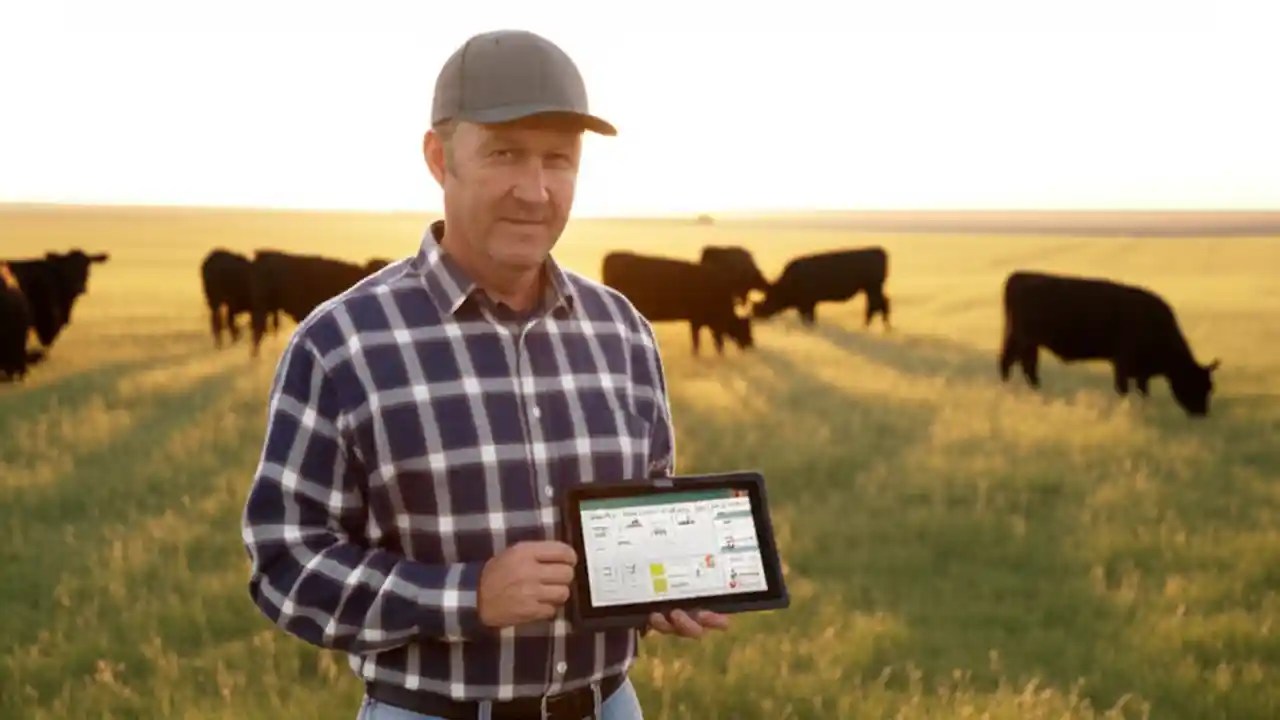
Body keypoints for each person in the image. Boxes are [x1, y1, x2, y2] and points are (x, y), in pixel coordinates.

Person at [240, 29, 730, 720]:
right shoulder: (341, 344)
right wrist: (466, 597)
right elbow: (285, 566)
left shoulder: (623, 332)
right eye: (504, 153)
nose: (535, 190)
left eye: (558, 159)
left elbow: (641, 515)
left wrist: (661, 585)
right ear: (440, 159)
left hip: (610, 706)